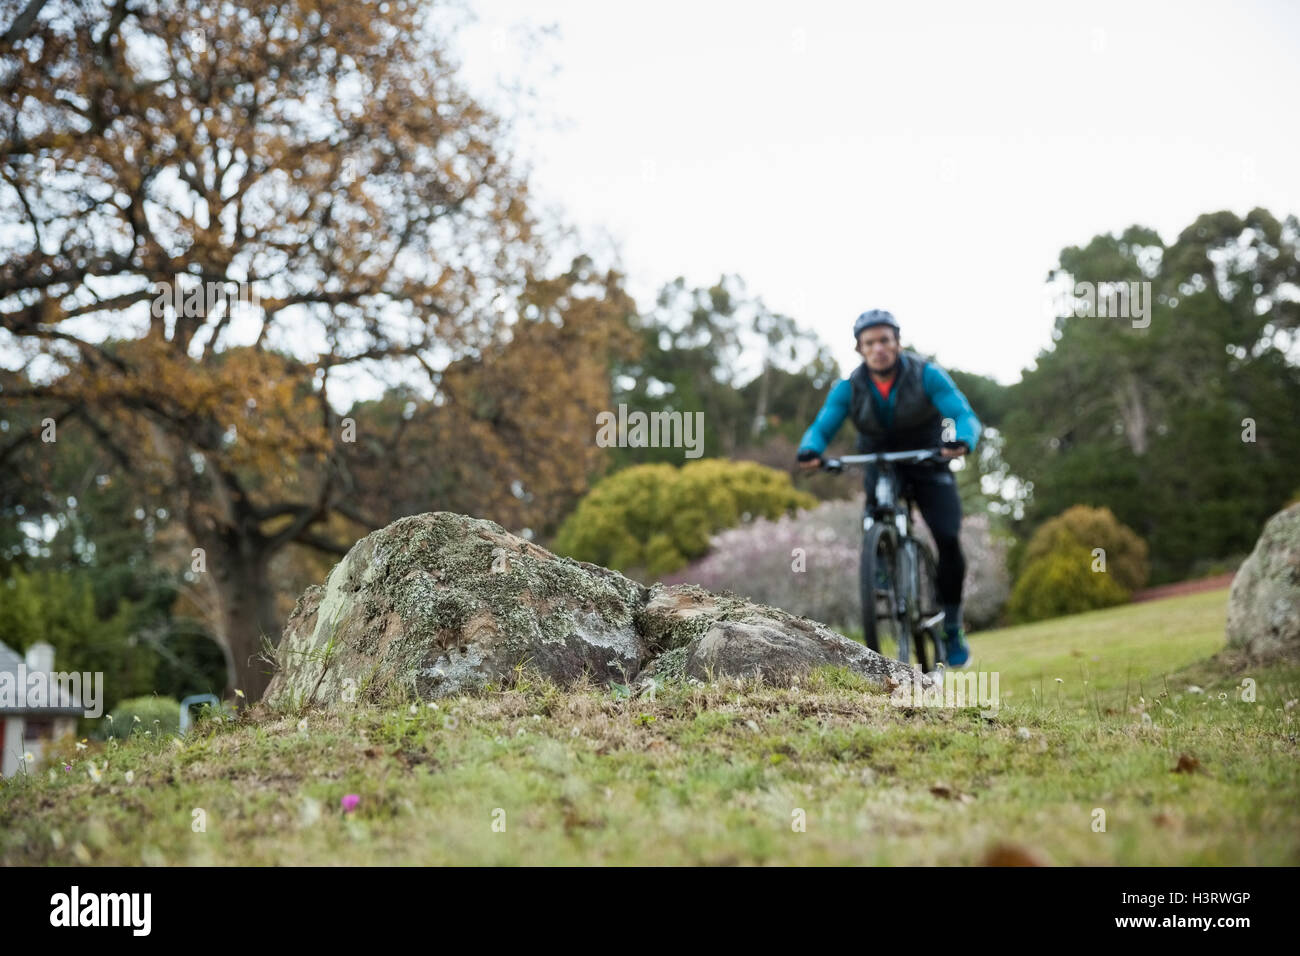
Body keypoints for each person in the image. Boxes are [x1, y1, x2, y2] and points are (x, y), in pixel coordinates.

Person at [796, 309, 982, 666]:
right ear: (860, 349)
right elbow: (822, 427)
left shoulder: (926, 375)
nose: (878, 348)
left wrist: (961, 438)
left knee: (947, 536)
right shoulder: (849, 388)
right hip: (880, 461)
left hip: (927, 458)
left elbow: (963, 414)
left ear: (897, 342)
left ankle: (953, 625)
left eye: (884, 340)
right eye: (870, 343)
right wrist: (811, 450)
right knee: (875, 512)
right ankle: (881, 559)